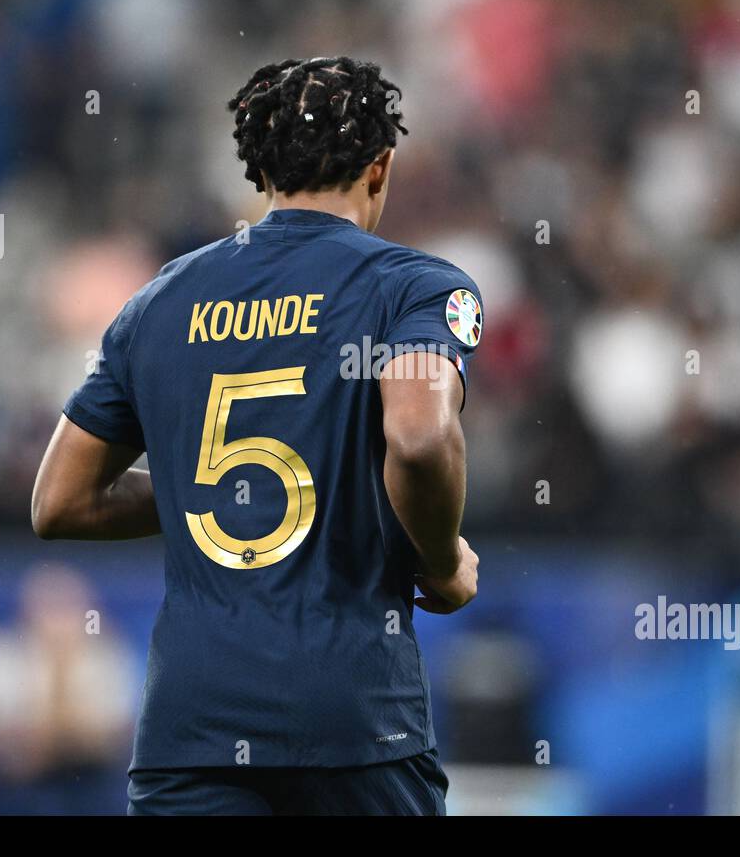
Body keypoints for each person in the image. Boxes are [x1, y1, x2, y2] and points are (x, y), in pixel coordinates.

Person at [32, 56, 483, 815]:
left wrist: (205, 487)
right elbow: (418, 435)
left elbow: (59, 501)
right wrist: (441, 561)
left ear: (261, 171)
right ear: (381, 168)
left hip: (193, 731)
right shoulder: (415, 287)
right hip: (354, 721)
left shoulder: (160, 300)